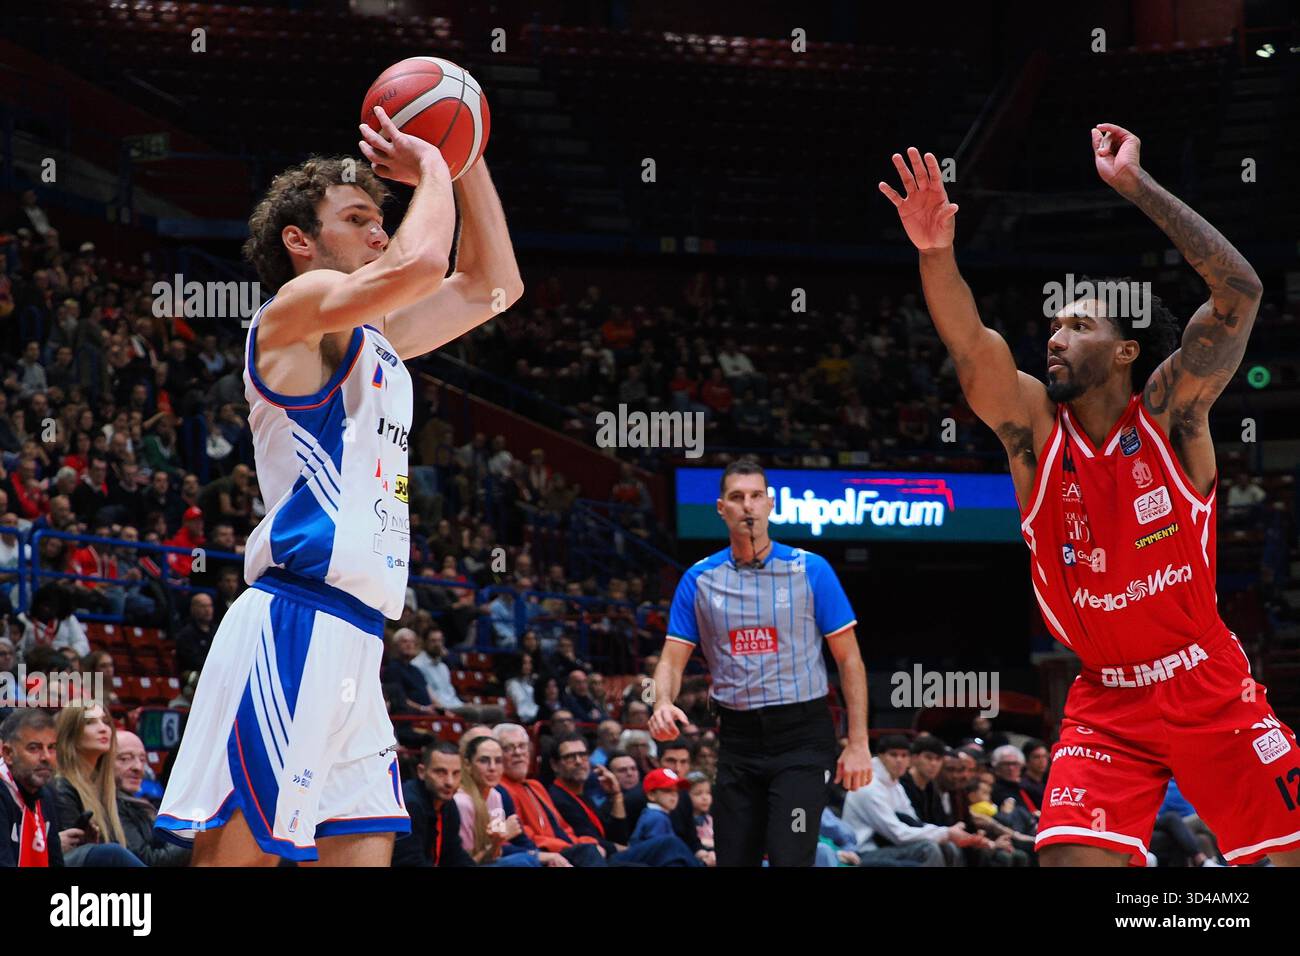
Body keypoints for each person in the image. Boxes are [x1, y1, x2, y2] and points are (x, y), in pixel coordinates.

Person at [881, 129, 1300, 866]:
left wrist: (1137, 187)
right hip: (1107, 700)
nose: (1056, 336)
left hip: (1204, 681)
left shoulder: (1173, 414)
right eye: (1054, 325)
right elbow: (974, 347)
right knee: (1069, 861)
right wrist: (935, 252)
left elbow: (1239, 294)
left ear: (1126, 350)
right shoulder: (1034, 435)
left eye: (1079, 325)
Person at [155, 108, 523, 865]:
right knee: (241, 855)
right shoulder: (291, 313)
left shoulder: (376, 336)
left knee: (359, 851)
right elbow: (422, 264)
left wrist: (467, 153)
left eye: (381, 219)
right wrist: (428, 169)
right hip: (294, 619)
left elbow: (494, 285)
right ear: (301, 240)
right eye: (358, 218)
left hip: (360, 638)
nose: (380, 232)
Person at [649, 457, 872, 866]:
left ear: (770, 504)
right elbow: (671, 660)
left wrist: (858, 743)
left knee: (790, 854)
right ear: (721, 509)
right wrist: (663, 701)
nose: (747, 506)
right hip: (737, 740)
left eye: (755, 496)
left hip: (803, 739)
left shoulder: (811, 570)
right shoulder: (698, 580)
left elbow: (850, 659)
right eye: (737, 497)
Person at [52, 703, 144, 866]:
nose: (103, 729)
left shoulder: (106, 788)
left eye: (105, 722)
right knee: (112, 853)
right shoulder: (62, 788)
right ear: (70, 734)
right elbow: (76, 855)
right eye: (90, 722)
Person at [452, 735, 537, 867]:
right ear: (467, 764)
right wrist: (501, 838)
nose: (492, 768)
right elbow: (467, 863)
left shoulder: (495, 796)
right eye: (484, 761)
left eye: (498, 761)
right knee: (522, 863)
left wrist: (498, 841)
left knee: (529, 859)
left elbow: (493, 855)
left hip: (487, 862)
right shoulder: (461, 803)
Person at [391, 741, 476, 867]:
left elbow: (454, 854)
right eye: (441, 772)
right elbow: (409, 863)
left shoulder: (448, 803)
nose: (450, 782)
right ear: (421, 772)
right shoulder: (411, 805)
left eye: (456, 773)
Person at [1, 709, 67, 866]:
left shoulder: (45, 795)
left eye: (51, 747)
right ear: (8, 754)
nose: (46, 757)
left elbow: (56, 863)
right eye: (34, 748)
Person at [113, 731, 189, 866]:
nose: (138, 767)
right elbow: (148, 860)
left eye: (142, 760)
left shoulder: (149, 802)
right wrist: (193, 835)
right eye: (125, 758)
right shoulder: (113, 807)